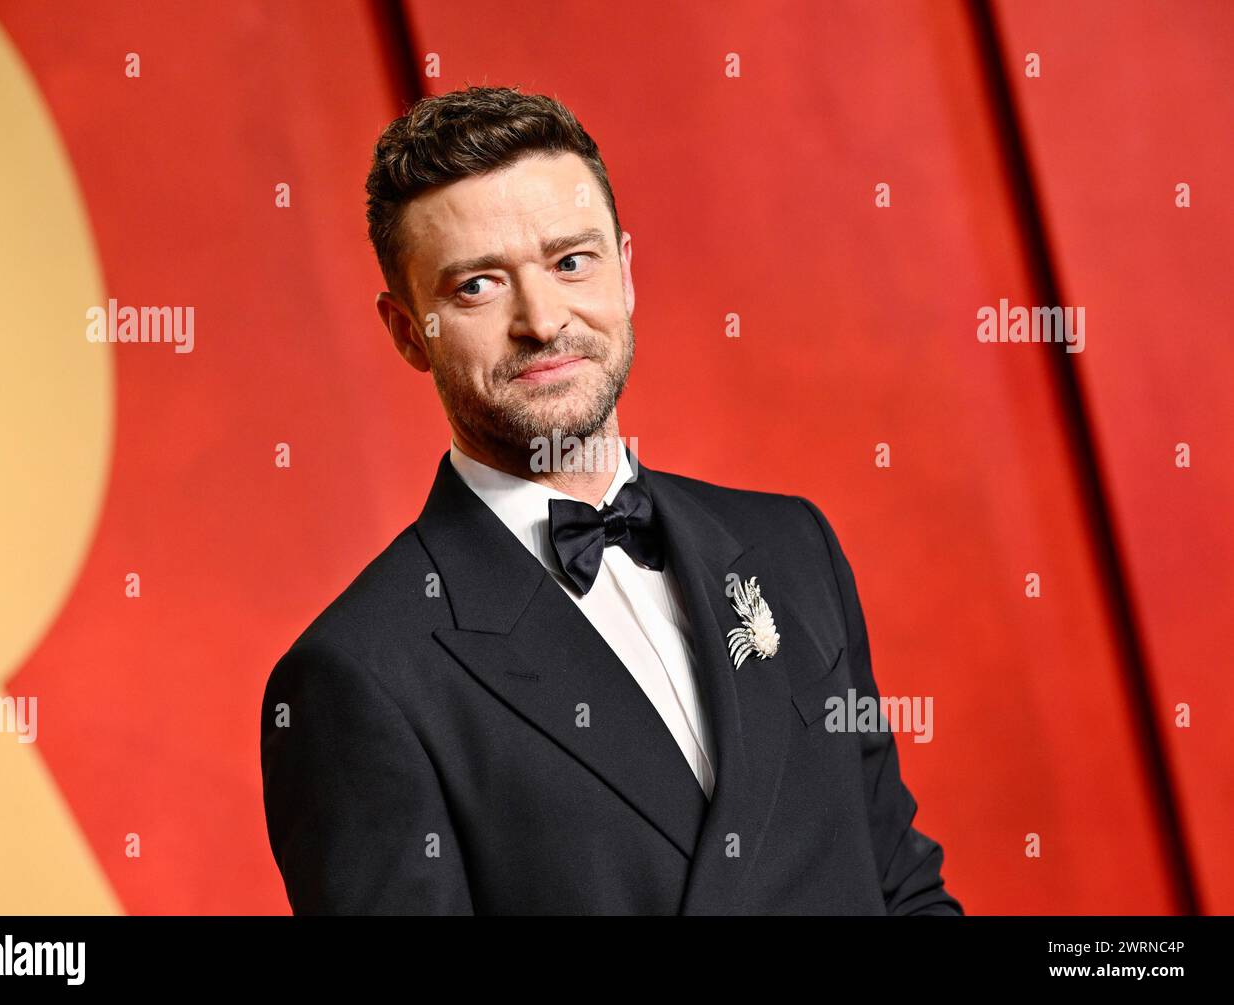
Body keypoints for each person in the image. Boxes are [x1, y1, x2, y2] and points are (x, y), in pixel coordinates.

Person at [260, 85, 963, 915]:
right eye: (479, 286)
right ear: (410, 331)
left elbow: (902, 888)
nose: (543, 319)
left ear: (626, 273)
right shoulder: (358, 676)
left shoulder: (791, 546)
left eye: (570, 261)